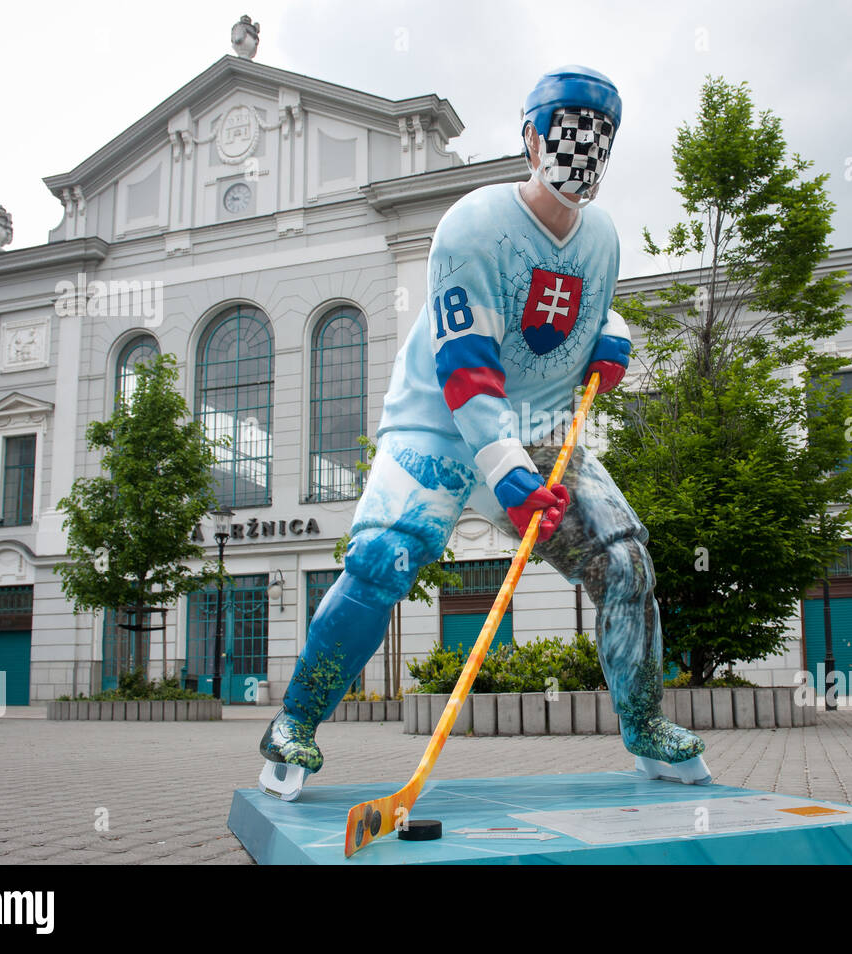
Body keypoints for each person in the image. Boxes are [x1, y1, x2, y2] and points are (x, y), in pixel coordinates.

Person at [256, 66, 711, 801]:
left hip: (538, 430)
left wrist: (613, 335)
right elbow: (466, 362)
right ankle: (293, 724)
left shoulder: (601, 239)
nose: (582, 151)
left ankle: (646, 726)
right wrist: (505, 474)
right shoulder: (472, 226)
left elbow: (589, 313)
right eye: (566, 130)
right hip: (437, 425)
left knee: (625, 560)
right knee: (381, 561)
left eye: (601, 137)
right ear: (531, 137)